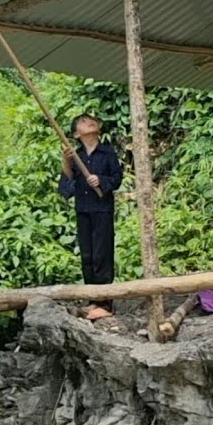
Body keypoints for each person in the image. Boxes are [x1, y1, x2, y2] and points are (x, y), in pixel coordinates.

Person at [59, 113, 124, 321]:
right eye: (83, 122)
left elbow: (116, 179)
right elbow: (66, 186)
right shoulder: (75, 155)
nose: (90, 122)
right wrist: (66, 161)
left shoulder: (107, 152)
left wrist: (101, 180)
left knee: (102, 254)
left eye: (91, 120)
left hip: (102, 209)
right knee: (87, 255)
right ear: (76, 134)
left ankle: (106, 303)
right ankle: (92, 300)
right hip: (83, 209)